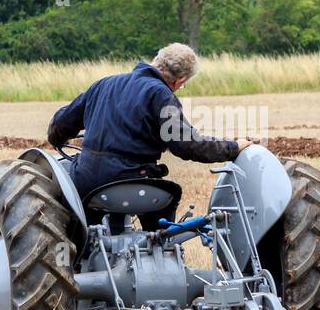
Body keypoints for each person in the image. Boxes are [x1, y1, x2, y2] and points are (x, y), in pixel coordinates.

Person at [47, 43, 255, 228]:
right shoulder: (161, 95)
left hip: (86, 181)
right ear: (180, 80)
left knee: (79, 229)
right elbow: (185, 145)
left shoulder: (103, 84)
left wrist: (57, 138)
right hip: (133, 183)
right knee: (161, 232)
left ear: (156, 61)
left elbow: (60, 125)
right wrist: (233, 148)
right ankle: (161, 252)